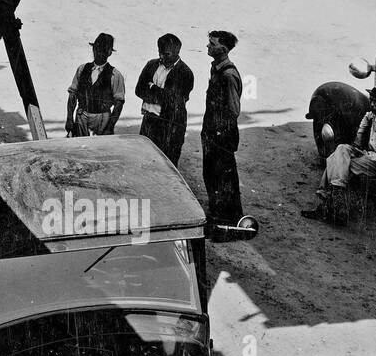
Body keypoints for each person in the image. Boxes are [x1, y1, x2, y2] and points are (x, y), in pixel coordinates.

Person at [302, 86, 376, 221]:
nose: (372, 104)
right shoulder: (374, 114)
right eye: (371, 100)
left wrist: (371, 156)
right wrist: (360, 136)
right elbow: (366, 120)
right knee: (341, 149)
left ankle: (329, 204)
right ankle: (335, 202)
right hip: (367, 154)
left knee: (337, 162)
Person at [201, 30, 244, 224]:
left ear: (223, 49)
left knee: (222, 176)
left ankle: (227, 217)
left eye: (212, 44)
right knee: (211, 173)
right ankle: (217, 211)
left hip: (221, 135)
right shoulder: (217, 68)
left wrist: (219, 130)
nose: (208, 46)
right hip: (212, 131)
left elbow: (234, 110)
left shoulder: (228, 75)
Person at [135, 33, 195, 165]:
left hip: (171, 125)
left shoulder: (185, 73)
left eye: (166, 54)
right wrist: (161, 94)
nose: (161, 56)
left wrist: (152, 87)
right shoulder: (151, 65)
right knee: (145, 161)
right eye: (159, 52)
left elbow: (173, 101)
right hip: (149, 121)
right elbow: (139, 90)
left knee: (167, 165)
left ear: (177, 52)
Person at [65, 33, 126, 137]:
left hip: (102, 118)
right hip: (82, 116)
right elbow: (72, 95)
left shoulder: (115, 75)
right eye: (97, 49)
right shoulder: (82, 69)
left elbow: (119, 102)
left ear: (109, 52)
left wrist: (110, 126)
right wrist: (69, 118)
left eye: (103, 50)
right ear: (93, 49)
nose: (99, 53)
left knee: (100, 150)